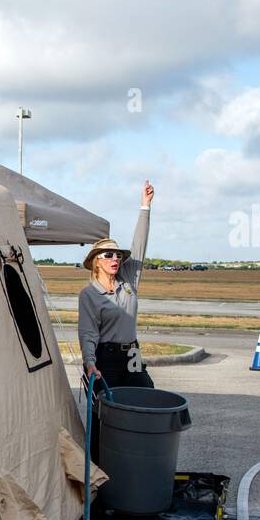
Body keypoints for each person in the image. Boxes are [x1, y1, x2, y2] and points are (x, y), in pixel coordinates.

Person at [77, 180, 155, 461]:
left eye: (118, 255)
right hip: (105, 357)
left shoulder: (129, 280)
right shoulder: (89, 294)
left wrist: (145, 207)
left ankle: (136, 461)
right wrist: (90, 364)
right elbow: (87, 332)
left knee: (145, 398)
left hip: (132, 352)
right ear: (96, 261)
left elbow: (140, 246)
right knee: (103, 414)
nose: (115, 258)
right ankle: (98, 473)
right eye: (108, 255)